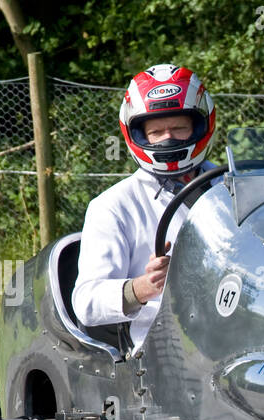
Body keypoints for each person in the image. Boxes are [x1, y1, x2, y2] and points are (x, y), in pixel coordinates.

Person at [72, 64, 218, 354]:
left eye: (179, 128)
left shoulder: (232, 185)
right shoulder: (113, 206)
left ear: (199, 127)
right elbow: (85, 302)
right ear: (139, 135)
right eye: (156, 131)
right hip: (163, 352)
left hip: (243, 332)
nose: (168, 138)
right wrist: (141, 288)